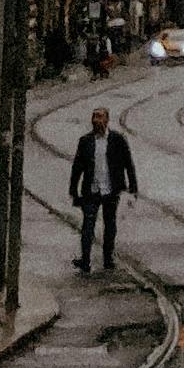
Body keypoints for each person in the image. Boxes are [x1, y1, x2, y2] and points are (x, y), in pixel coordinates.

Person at [71, 106, 138, 273]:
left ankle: (108, 259)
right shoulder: (85, 141)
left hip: (111, 189)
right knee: (88, 226)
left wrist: (133, 187)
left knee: (110, 225)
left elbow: (128, 163)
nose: (96, 121)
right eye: (94, 117)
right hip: (91, 190)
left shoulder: (118, 140)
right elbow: (77, 167)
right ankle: (85, 260)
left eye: (100, 117)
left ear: (107, 120)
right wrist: (73, 189)